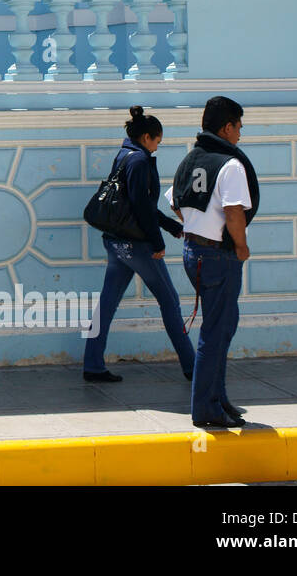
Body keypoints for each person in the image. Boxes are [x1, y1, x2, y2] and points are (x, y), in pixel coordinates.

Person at [166, 96, 260, 430]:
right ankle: (205, 408)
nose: (240, 135)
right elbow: (234, 212)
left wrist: (195, 227)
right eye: (238, 127)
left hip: (194, 253)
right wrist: (242, 246)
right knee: (215, 333)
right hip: (219, 255)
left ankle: (219, 399)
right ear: (227, 126)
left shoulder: (190, 160)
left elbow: (174, 201)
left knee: (223, 327)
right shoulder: (230, 165)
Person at [83, 106, 193, 384]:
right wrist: (158, 240)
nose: (158, 147)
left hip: (115, 243)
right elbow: (142, 206)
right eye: (157, 142)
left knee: (106, 304)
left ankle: (93, 364)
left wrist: (170, 226)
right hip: (137, 245)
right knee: (170, 301)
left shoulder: (123, 156)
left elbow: (134, 204)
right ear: (146, 137)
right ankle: (193, 366)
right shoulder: (139, 161)